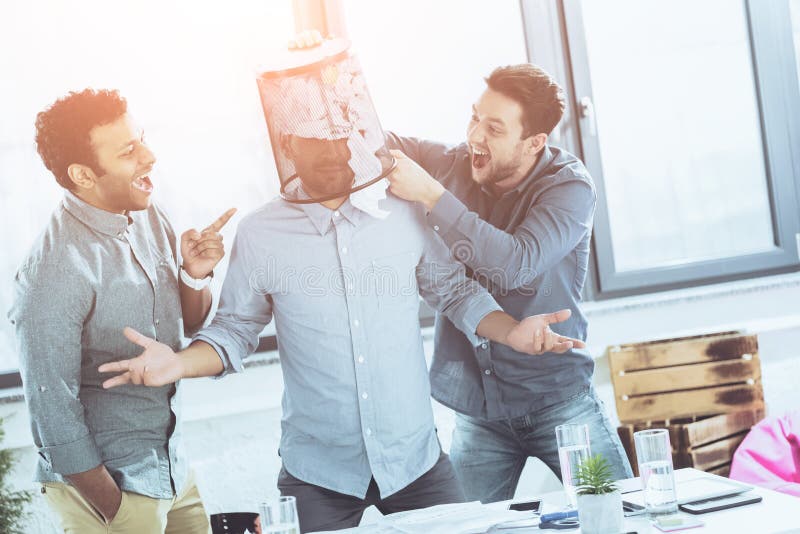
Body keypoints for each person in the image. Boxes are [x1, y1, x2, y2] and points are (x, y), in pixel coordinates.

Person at [97, 47, 586, 533]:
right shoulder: (260, 233)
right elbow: (234, 330)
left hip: (416, 462)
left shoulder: (404, 210)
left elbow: (457, 293)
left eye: (341, 136)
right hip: (319, 472)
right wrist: (178, 362)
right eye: (315, 138)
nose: (334, 152)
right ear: (288, 144)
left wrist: (514, 333)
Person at [386, 63, 633, 503]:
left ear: (535, 142)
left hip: (561, 404)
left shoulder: (569, 189)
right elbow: (371, 143)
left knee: (621, 516)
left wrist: (431, 196)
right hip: (480, 413)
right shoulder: (453, 163)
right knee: (458, 531)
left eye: (494, 128)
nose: (475, 135)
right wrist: (329, 72)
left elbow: (513, 265)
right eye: (475, 117)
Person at [9, 88, 234, 533]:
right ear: (83, 174)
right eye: (129, 151)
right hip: (111, 485)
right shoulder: (52, 270)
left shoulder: (150, 216)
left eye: (142, 140)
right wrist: (115, 509)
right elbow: (50, 410)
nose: (149, 157)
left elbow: (184, 326)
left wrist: (194, 275)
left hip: (169, 467)